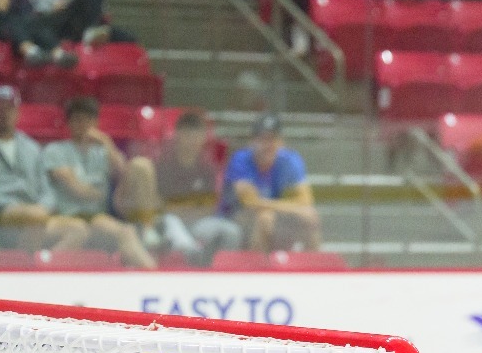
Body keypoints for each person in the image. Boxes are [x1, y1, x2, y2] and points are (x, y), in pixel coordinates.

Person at [0, 84, 90, 253]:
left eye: (9, 108)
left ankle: (41, 267)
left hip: (33, 214)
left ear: (17, 112)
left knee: (79, 229)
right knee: (35, 218)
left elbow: (47, 189)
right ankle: (25, 264)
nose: (3, 113)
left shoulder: (31, 148)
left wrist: (43, 207)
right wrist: (26, 210)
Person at [41, 97, 157, 270]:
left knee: (126, 232)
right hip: (66, 216)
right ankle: (41, 271)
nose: (84, 124)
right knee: (78, 230)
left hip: (96, 217)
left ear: (95, 122)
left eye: (89, 119)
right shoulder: (55, 150)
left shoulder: (102, 151)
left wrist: (107, 143)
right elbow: (76, 189)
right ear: (69, 123)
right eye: (78, 119)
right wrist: (97, 194)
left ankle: (153, 276)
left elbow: (123, 173)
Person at [145, 110, 242, 261]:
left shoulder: (208, 169)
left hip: (198, 223)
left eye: (197, 136)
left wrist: (184, 209)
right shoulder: (162, 166)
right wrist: (185, 208)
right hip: (170, 222)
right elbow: (158, 206)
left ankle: (222, 270)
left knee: (231, 231)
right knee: (170, 221)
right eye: (188, 135)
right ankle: (192, 256)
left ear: (204, 138)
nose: (192, 141)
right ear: (178, 135)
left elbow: (209, 207)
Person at [219, 113, 321, 252]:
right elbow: (249, 203)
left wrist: (281, 208)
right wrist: (294, 208)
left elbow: (306, 201)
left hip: (276, 215)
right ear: (252, 142)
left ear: (281, 142)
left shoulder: (290, 160)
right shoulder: (241, 160)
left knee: (310, 218)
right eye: (262, 139)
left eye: (272, 139)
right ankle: (258, 270)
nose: (267, 145)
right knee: (265, 219)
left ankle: (312, 270)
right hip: (236, 216)